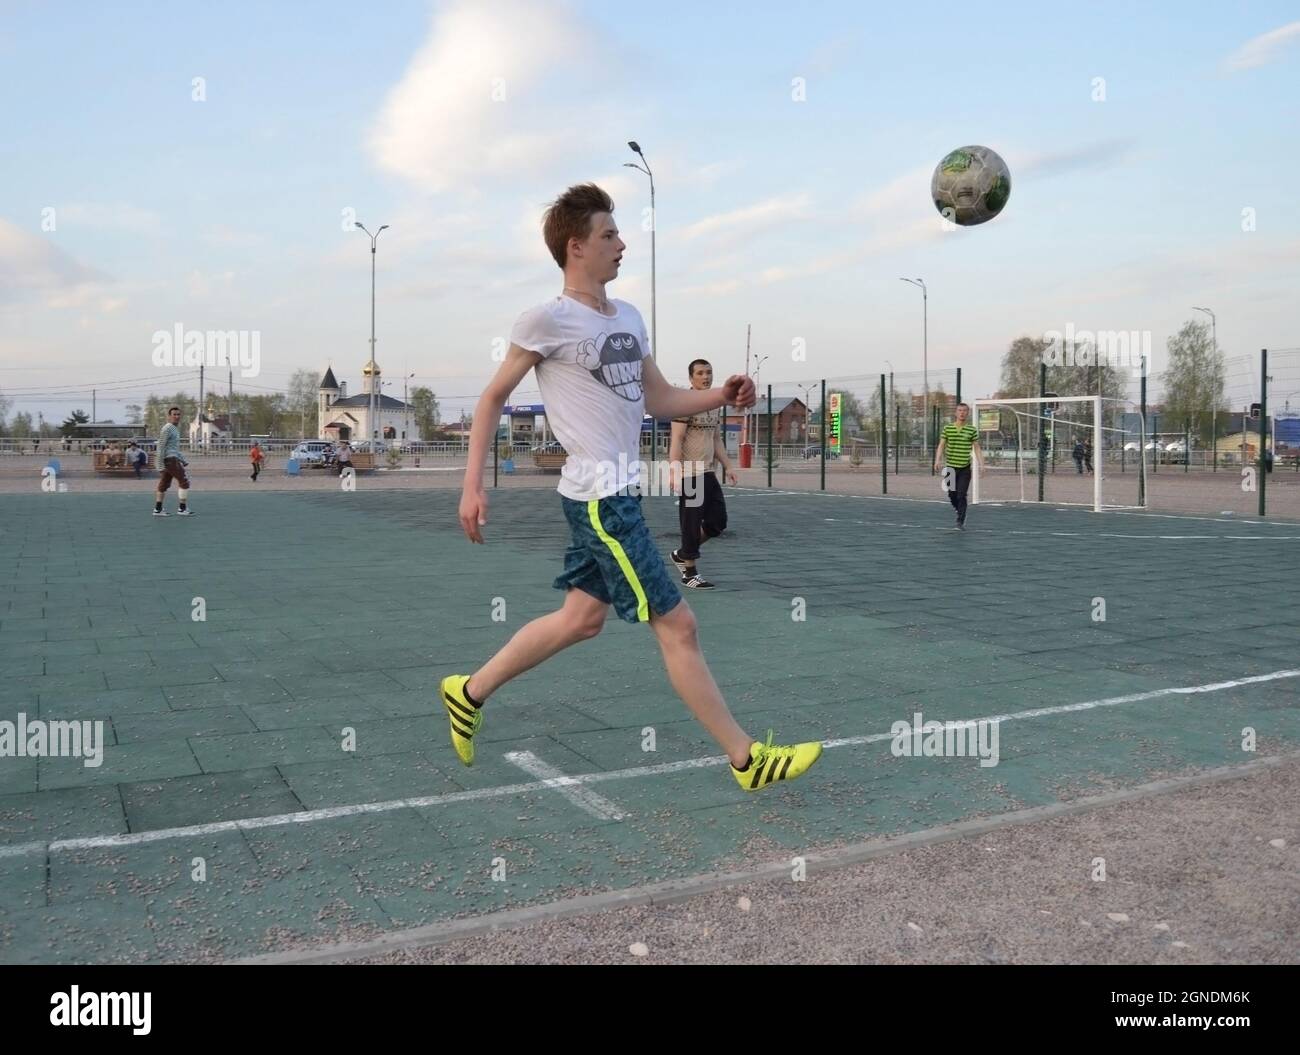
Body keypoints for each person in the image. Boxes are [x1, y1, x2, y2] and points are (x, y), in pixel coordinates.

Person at [442, 183, 822, 792]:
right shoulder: (546, 319)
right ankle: (746, 760)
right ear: (576, 247)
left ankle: (469, 691)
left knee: (580, 620)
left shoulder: (629, 317)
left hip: (613, 493)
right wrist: (471, 486)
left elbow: (661, 398)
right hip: (599, 500)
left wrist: (722, 396)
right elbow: (491, 399)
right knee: (679, 626)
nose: (621, 245)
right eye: (609, 235)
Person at [668, 358, 737, 589]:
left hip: (708, 472)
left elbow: (716, 439)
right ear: (691, 378)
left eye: (708, 372)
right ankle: (690, 573)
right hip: (690, 473)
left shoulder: (714, 404)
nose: (705, 377)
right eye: (700, 373)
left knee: (718, 521)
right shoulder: (684, 404)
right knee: (691, 522)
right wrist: (674, 471)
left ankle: (682, 554)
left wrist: (728, 466)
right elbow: (676, 439)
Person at [934, 402, 982, 530]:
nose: (962, 413)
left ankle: (960, 520)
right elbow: (941, 445)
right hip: (950, 468)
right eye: (960, 410)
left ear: (968, 413)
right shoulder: (948, 428)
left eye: (965, 411)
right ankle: (958, 509)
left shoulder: (971, 430)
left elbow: (977, 448)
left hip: (965, 468)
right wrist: (937, 460)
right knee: (952, 494)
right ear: (956, 413)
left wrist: (982, 464)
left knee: (961, 494)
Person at [153, 406, 194, 516]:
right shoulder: (167, 428)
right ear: (169, 416)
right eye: (174, 414)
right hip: (170, 460)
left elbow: (174, 448)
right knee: (184, 481)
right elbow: (161, 446)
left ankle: (158, 509)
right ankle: (182, 509)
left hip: (172, 459)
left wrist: (183, 460)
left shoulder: (175, 429)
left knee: (164, 484)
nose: (176, 416)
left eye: (178, 414)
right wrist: (160, 465)